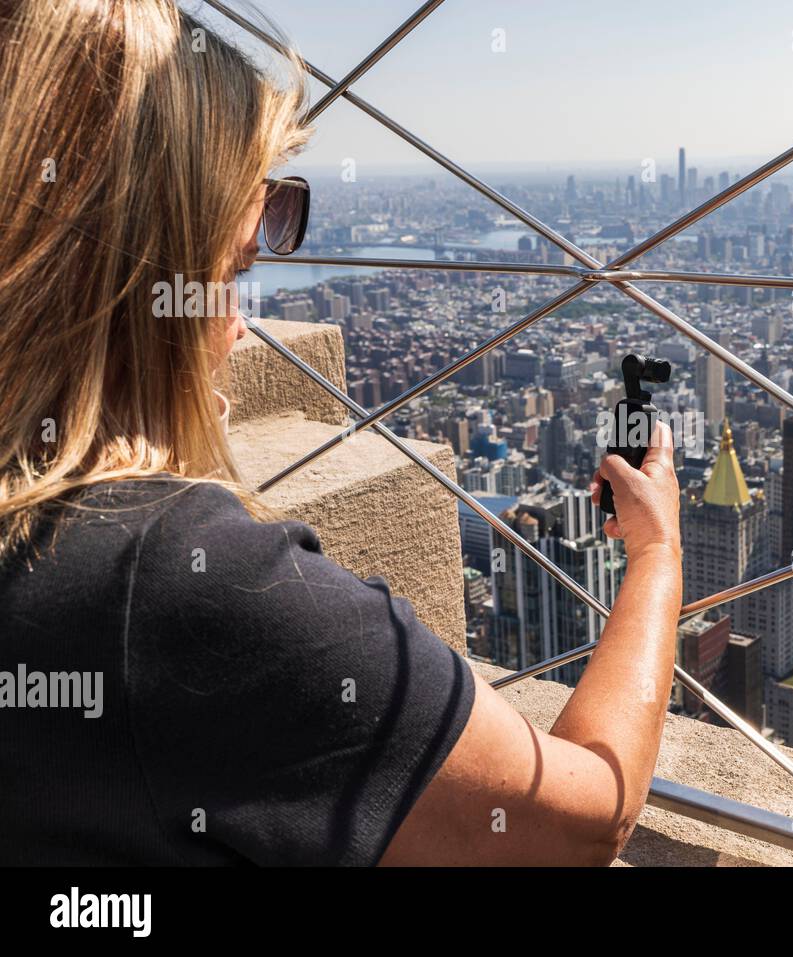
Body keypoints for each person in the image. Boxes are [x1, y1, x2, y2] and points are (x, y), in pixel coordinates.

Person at [0, 0, 682, 866]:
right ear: (142, 280)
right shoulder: (183, 589)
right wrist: (657, 556)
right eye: (234, 269)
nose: (239, 327)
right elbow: (579, 822)